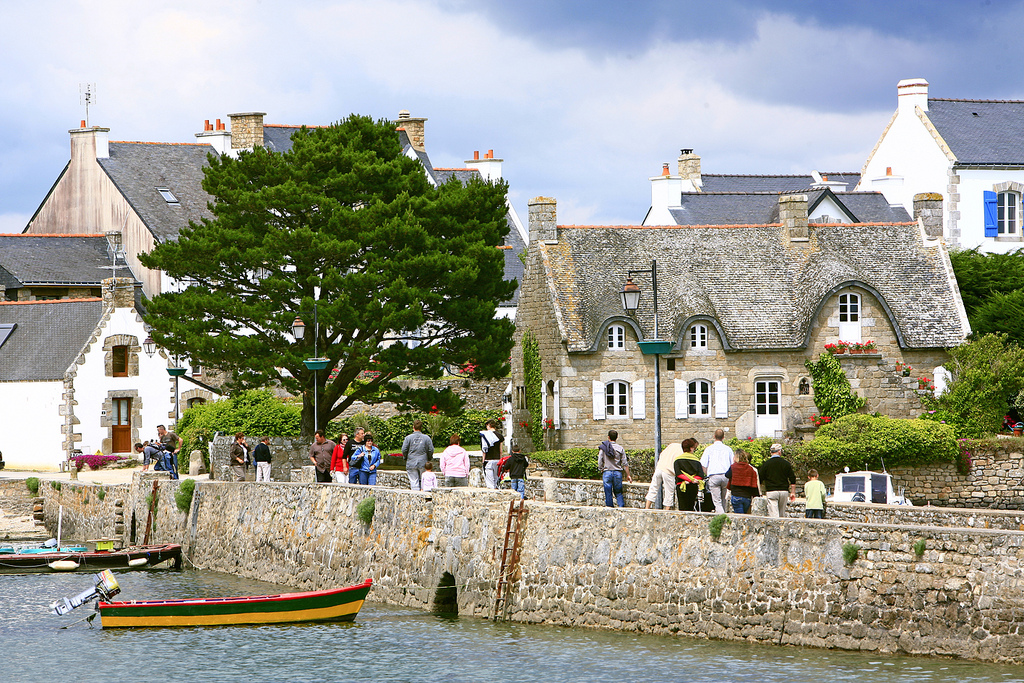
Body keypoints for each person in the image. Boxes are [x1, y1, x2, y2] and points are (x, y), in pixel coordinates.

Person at [758, 443, 797, 518]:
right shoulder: (786, 464)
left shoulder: (766, 464)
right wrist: (793, 492)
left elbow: (760, 479)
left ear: (771, 452)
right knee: (782, 513)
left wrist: (759, 492)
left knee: (774, 515)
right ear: (779, 452)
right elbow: (792, 478)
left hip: (771, 490)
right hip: (783, 491)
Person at [700, 428, 734, 513]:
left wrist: (707, 474)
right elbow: (733, 464)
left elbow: (703, 464)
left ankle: (721, 517)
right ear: (723, 437)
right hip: (726, 476)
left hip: (714, 476)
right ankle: (724, 516)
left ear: (714, 436)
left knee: (717, 501)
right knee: (723, 499)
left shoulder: (709, 449)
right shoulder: (728, 449)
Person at [598, 429, 631, 508]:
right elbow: (625, 463)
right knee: (618, 492)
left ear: (608, 437)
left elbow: (600, 460)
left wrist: (601, 468)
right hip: (617, 472)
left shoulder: (604, 447)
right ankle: (621, 507)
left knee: (608, 492)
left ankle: (610, 509)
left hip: (607, 472)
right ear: (617, 438)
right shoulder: (620, 448)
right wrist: (628, 475)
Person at [645, 440, 681, 510]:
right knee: (669, 492)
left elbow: (661, 455)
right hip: (669, 472)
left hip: (659, 468)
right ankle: (666, 510)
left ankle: (647, 507)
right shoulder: (680, 451)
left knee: (653, 487)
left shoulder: (669, 448)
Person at [401, 420, 434, 490]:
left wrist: (406, 457)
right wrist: (428, 458)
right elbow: (430, 450)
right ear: (421, 428)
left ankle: (416, 496)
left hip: (411, 462)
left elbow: (404, 450)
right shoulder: (426, 438)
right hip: (423, 462)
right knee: (424, 481)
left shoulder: (408, 438)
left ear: (413, 427)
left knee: (414, 482)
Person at [725, 449, 760, 514]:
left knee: (739, 516)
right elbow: (754, 483)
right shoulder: (750, 468)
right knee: (745, 515)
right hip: (747, 496)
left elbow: (727, 475)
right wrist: (756, 495)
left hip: (736, 494)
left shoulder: (734, 467)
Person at [674, 438, 703, 512]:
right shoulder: (697, 461)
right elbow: (700, 475)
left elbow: (678, 473)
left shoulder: (677, 460)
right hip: (693, 486)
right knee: (691, 506)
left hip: (681, 486)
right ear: (691, 448)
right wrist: (693, 480)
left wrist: (687, 480)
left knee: (682, 507)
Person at [480, 419, 504, 489]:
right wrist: (500, 458)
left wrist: (483, 461)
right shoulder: (499, 436)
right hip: (497, 459)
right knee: (496, 479)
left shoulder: (485, 435)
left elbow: (484, 450)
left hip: (488, 459)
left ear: (489, 425)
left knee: (489, 481)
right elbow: (500, 450)